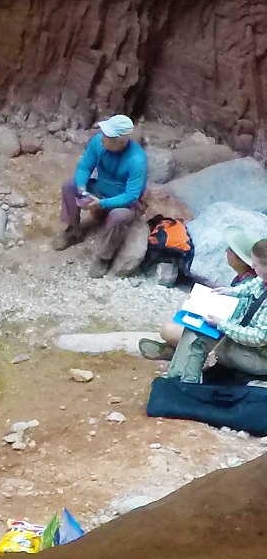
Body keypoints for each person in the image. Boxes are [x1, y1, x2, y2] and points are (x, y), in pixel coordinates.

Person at [140, 227, 259, 361]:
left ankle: (175, 350)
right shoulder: (246, 278)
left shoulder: (250, 285)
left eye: (231, 250)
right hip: (227, 325)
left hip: (229, 336)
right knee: (186, 301)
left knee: (168, 329)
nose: (226, 252)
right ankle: (176, 348)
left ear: (242, 260)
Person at [51, 114, 148, 278]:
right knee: (70, 185)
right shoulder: (98, 142)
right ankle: (73, 231)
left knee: (119, 216)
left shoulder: (137, 159)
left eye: (108, 136)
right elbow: (84, 167)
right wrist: (82, 188)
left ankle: (104, 256)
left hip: (124, 201)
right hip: (101, 189)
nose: (102, 137)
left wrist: (101, 203)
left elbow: (131, 196)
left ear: (121, 141)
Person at [165, 238, 267, 383]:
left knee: (198, 337)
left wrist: (222, 324)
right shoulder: (264, 279)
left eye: (256, 264)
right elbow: (254, 285)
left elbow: (259, 337)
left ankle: (185, 385)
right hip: (253, 347)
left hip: (261, 358)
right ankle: (177, 378)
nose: (253, 266)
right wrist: (231, 291)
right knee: (195, 329)